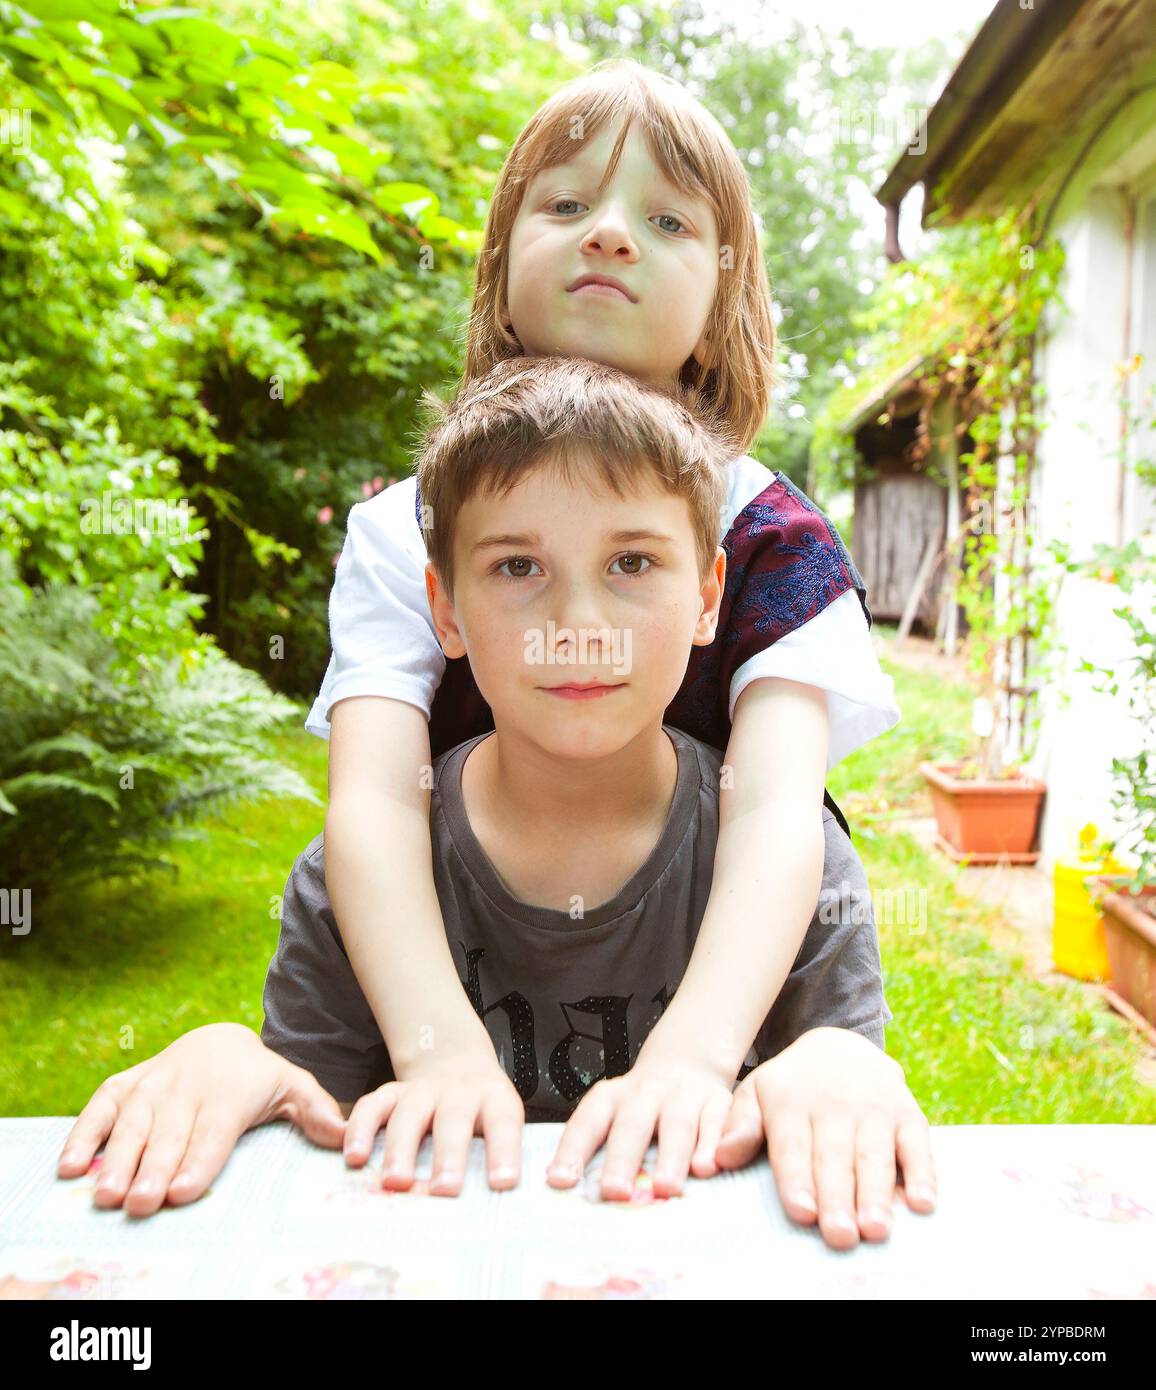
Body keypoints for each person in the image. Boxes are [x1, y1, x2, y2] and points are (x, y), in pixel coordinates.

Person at [58, 356, 936, 1252]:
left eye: (632, 560)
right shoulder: (354, 886)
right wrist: (240, 1062)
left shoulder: (801, 869)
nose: (580, 622)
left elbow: (836, 1099)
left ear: (710, 596)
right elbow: (307, 1120)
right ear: (445, 610)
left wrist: (843, 1062)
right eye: (519, 566)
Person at [304, 58, 902, 1201]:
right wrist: (435, 1053)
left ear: (723, 300)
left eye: (665, 218)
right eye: (567, 204)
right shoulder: (402, 529)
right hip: (481, 937)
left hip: (704, 948)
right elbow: (376, 796)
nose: (610, 236)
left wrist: (692, 1056)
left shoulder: (776, 538)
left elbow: (777, 805)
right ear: (500, 264)